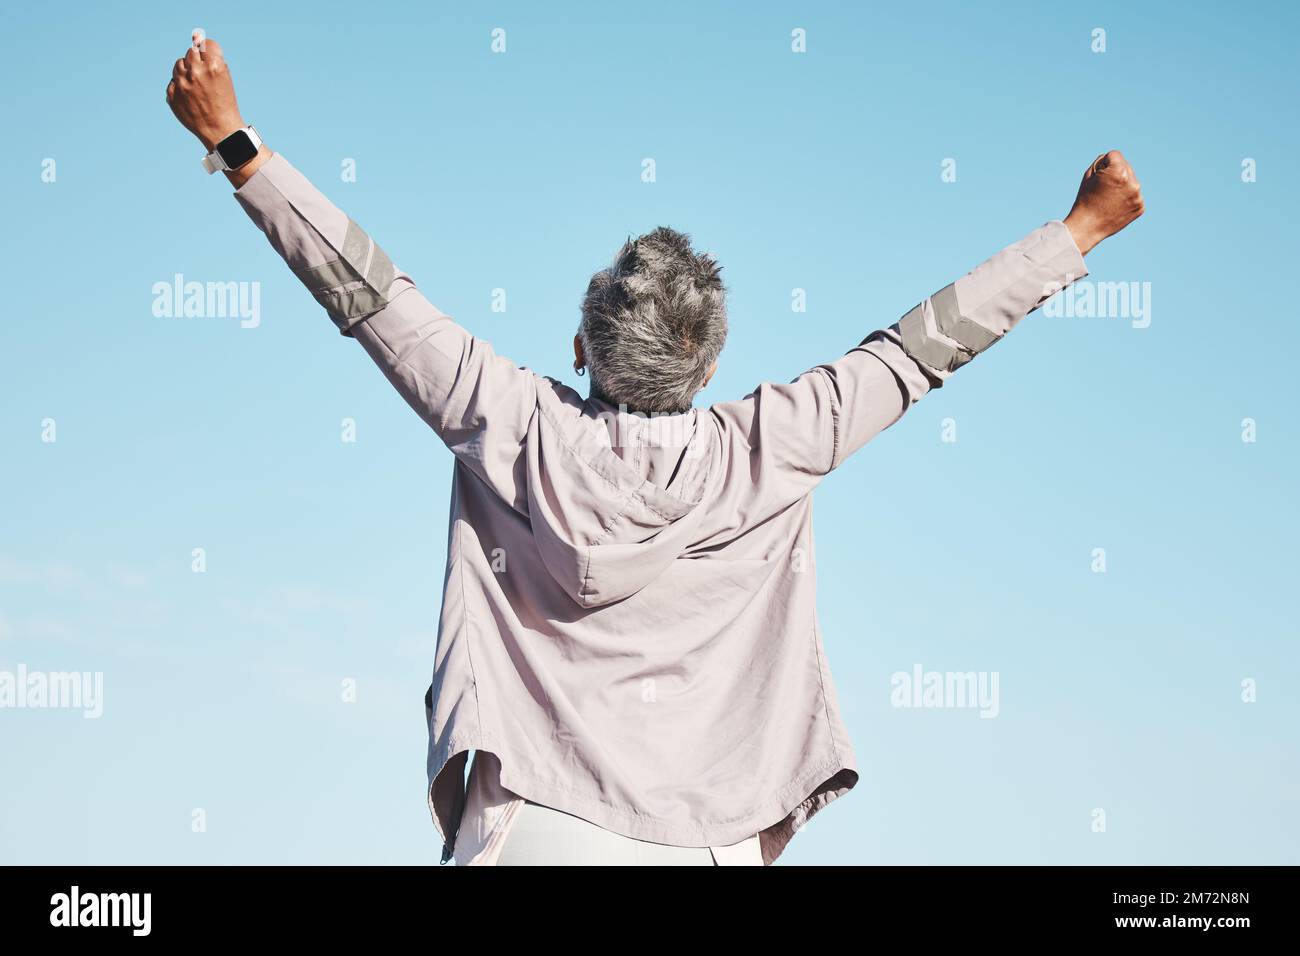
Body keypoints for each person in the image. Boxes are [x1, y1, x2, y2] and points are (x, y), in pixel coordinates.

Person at [166, 38, 1144, 866]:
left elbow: (371, 295)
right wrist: (1075, 231)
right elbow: (921, 346)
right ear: (708, 364)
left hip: (531, 830)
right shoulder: (774, 441)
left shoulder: (510, 420)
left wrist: (236, 144)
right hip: (699, 845)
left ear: (581, 345)